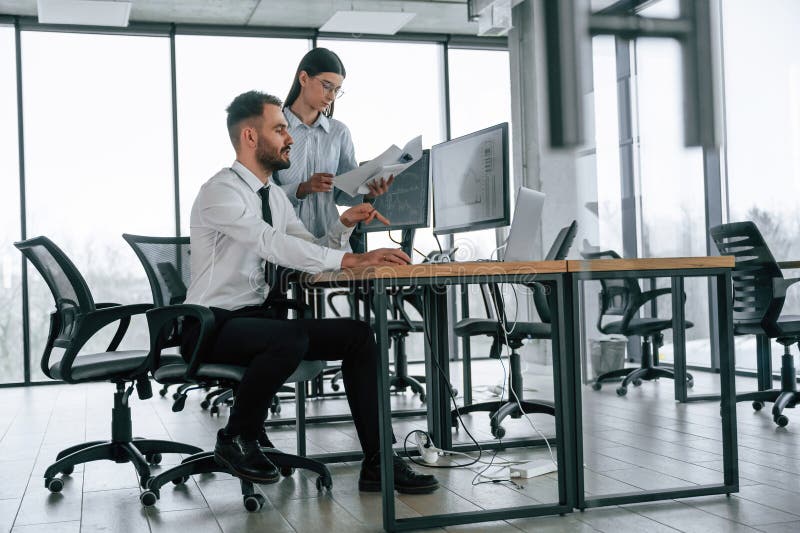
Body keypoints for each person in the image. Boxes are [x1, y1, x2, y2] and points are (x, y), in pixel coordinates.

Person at [183, 90, 439, 494]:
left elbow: (310, 246)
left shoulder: (273, 198)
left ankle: (378, 461)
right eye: (281, 129)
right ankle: (235, 436)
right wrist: (352, 261)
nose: (290, 138)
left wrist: (345, 225)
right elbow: (270, 243)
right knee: (294, 335)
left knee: (356, 335)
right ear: (251, 137)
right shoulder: (221, 191)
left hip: (255, 320)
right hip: (211, 325)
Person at [274, 47, 393, 252]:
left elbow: (343, 194)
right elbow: (260, 196)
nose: (331, 96)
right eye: (327, 86)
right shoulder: (273, 128)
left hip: (332, 245)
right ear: (303, 78)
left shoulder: (339, 132)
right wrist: (303, 188)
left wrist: (368, 193)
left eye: (337, 90)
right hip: (286, 246)